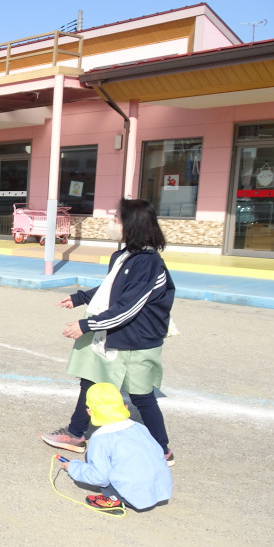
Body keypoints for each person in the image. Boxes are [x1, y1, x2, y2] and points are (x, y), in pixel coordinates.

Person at [42, 198, 176, 466]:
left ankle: (162, 450)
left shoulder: (148, 262)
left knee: (141, 396)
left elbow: (129, 307)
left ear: (132, 224)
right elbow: (110, 288)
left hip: (135, 340)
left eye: (116, 219)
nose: (112, 224)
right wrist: (80, 298)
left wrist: (85, 325)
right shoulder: (125, 255)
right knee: (90, 379)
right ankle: (75, 433)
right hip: (115, 333)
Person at [56, 382, 172, 512]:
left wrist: (74, 467)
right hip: (161, 488)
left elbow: (99, 477)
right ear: (125, 407)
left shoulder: (100, 438)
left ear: (89, 412)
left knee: (93, 458)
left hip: (134, 495)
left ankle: (113, 498)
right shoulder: (139, 427)